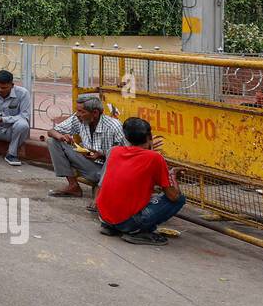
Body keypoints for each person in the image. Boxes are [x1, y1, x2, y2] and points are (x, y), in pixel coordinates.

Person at [95, 117, 185, 245]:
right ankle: (136, 232)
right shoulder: (154, 158)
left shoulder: (114, 151)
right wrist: (172, 176)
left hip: (104, 217)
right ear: (149, 136)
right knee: (179, 199)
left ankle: (112, 227)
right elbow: (173, 196)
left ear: (126, 137)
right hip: (127, 222)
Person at [47, 93, 127, 201]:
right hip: (88, 166)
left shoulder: (114, 126)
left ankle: (100, 194)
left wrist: (102, 155)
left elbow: (126, 155)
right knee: (53, 141)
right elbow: (52, 131)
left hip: (108, 172)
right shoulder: (79, 119)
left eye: (81, 112)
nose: (77, 115)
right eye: (78, 111)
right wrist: (61, 137)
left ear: (95, 113)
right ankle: (73, 186)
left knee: (113, 153)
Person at [0, 70, 31, 165]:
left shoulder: (23, 93)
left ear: (12, 85)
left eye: (4, 87)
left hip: (12, 131)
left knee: (23, 124)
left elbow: (24, 116)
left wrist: (2, 119)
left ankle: (12, 155)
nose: (0, 90)